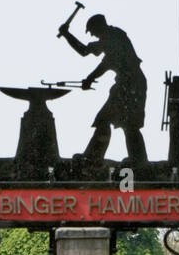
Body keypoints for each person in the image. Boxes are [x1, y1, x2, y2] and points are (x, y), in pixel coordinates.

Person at [58, 13, 148, 165]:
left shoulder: (112, 38)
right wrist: (90, 78)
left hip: (130, 86)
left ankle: (95, 157)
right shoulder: (114, 36)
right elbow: (101, 60)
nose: (92, 35)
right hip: (130, 85)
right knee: (124, 123)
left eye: (92, 31)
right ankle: (136, 159)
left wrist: (67, 34)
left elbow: (85, 52)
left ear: (99, 27)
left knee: (112, 121)